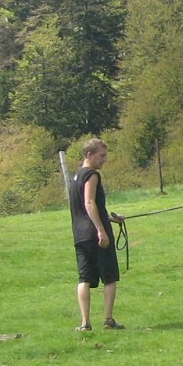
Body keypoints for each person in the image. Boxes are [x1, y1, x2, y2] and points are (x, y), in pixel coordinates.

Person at [70, 137, 124, 332]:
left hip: (80, 235)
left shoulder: (75, 177)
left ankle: (85, 323)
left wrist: (111, 219)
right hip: (97, 235)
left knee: (84, 278)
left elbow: (85, 211)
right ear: (89, 155)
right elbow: (89, 203)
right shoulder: (92, 175)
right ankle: (108, 320)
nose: (104, 160)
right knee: (109, 277)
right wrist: (102, 230)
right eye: (101, 156)